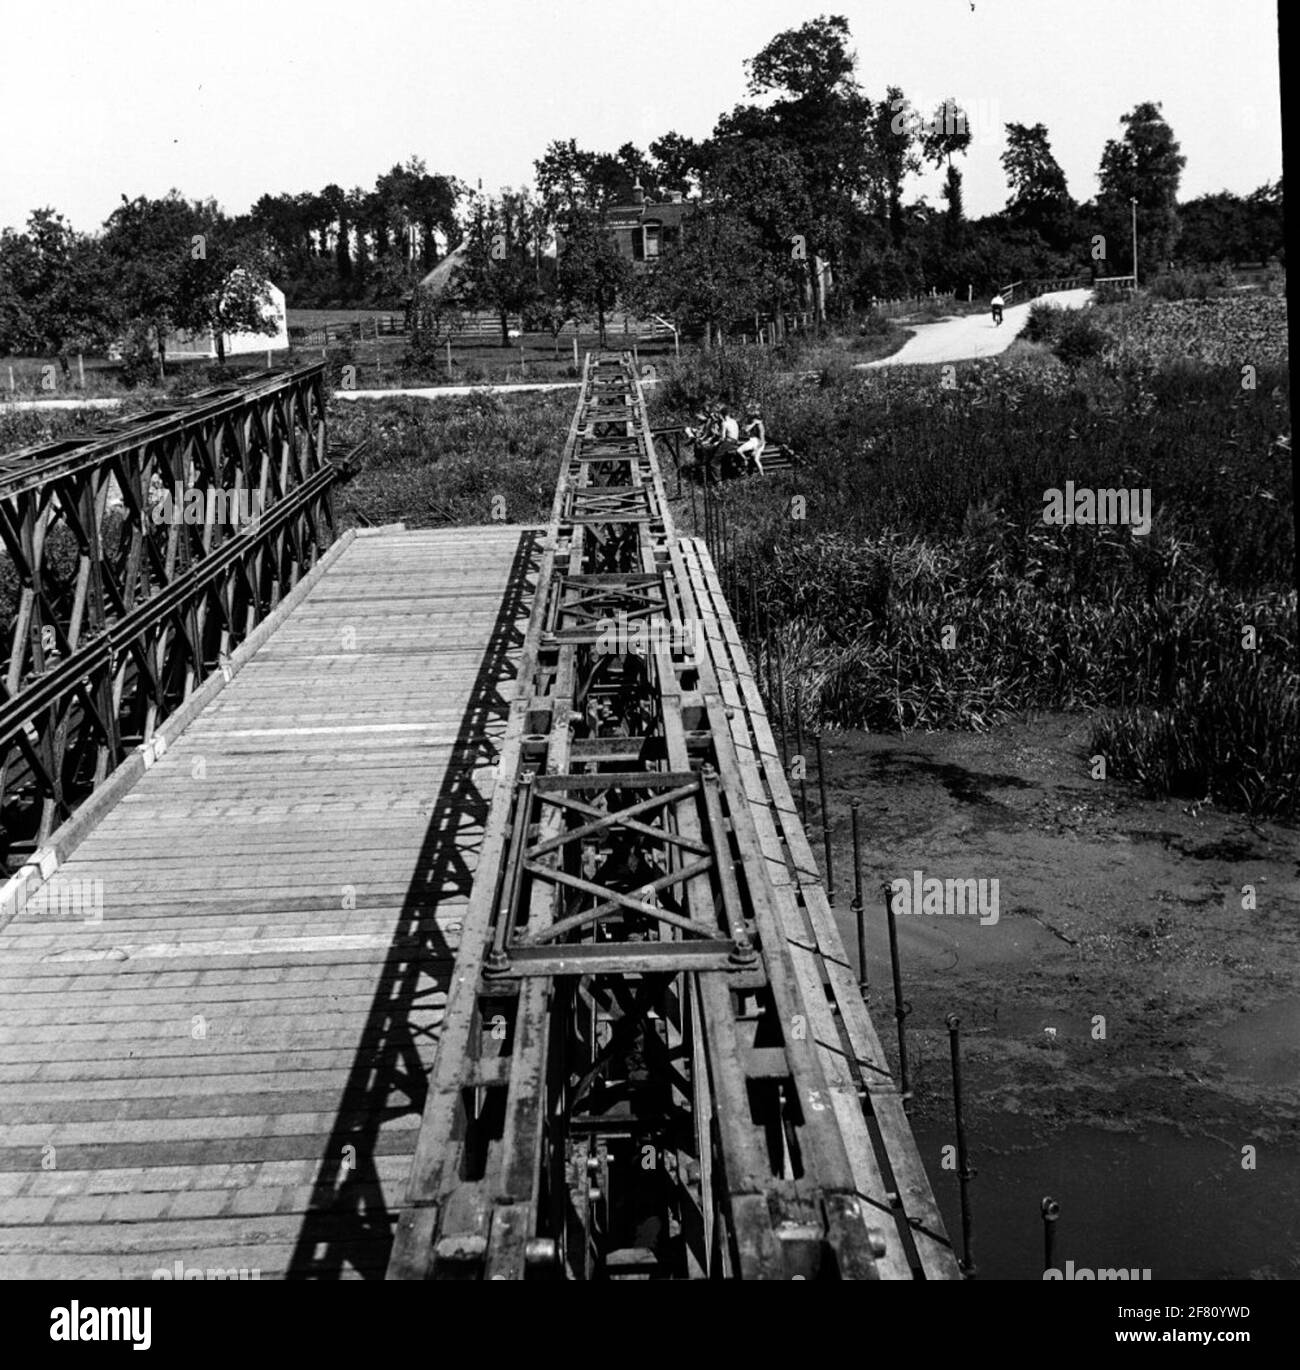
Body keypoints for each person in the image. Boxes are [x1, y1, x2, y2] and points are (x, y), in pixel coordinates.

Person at [738, 404, 766, 475]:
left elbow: (762, 441)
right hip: (753, 440)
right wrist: (753, 424)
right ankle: (745, 461)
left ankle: (762, 475)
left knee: (756, 459)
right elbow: (746, 430)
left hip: (759, 443)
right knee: (739, 451)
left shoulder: (760, 426)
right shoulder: (753, 423)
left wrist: (755, 450)